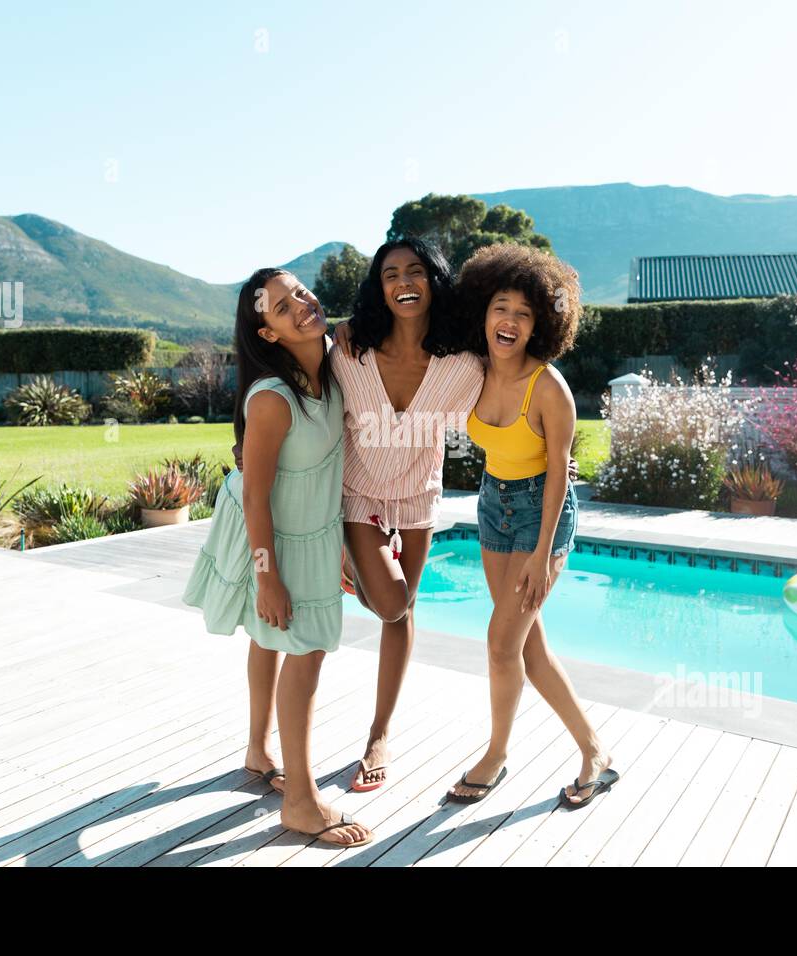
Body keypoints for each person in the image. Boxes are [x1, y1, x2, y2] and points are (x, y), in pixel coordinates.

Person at [182, 267, 372, 847]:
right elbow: (257, 494)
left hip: (312, 529)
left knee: (271, 638)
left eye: (301, 293)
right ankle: (301, 801)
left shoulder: (335, 373)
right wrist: (268, 577)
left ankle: (258, 750)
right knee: (305, 647)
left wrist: (339, 543)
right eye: (282, 307)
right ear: (267, 335)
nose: (300, 306)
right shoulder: (272, 399)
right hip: (266, 529)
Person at [444, 243, 617, 809]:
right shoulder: (469, 372)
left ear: (540, 322)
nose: (509, 321)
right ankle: (596, 753)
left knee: (500, 643)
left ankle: (495, 755)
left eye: (523, 312)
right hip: (494, 505)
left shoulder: (550, 388)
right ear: (483, 312)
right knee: (526, 645)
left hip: (543, 513)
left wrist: (544, 552)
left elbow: (559, 476)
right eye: (500, 307)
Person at [327, 238, 484, 792]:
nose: (403, 282)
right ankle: (353, 563)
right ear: (380, 287)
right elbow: (299, 388)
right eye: (390, 274)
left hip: (418, 495)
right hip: (360, 492)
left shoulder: (464, 364)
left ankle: (379, 734)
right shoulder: (348, 353)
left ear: (434, 281)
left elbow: (513, 376)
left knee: (402, 611)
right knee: (391, 600)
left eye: (415, 271)